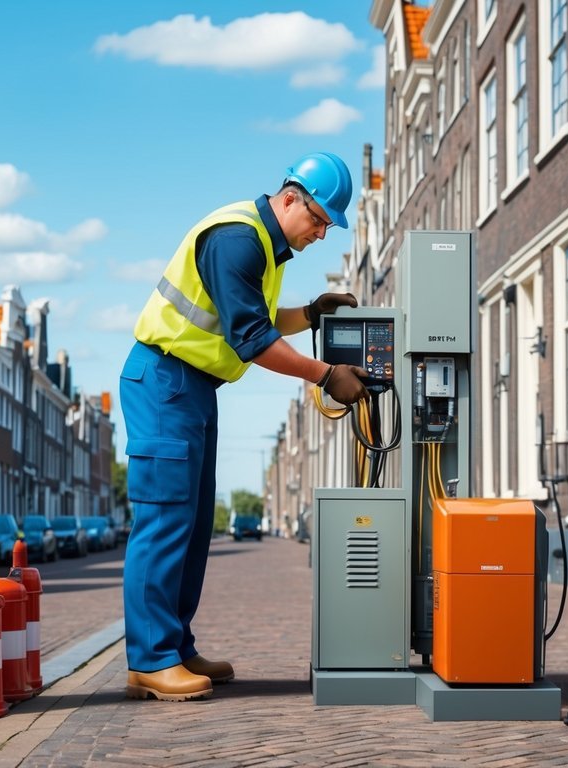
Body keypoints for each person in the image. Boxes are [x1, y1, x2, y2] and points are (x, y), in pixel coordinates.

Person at [120, 152, 369, 701]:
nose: (323, 233)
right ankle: (150, 658)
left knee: (191, 527)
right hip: (164, 381)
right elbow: (252, 338)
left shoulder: (263, 246)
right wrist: (326, 375)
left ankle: (176, 646)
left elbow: (256, 316)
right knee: (164, 522)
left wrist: (311, 313)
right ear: (288, 199)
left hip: (191, 389)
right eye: (320, 219)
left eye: (329, 224)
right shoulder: (237, 239)